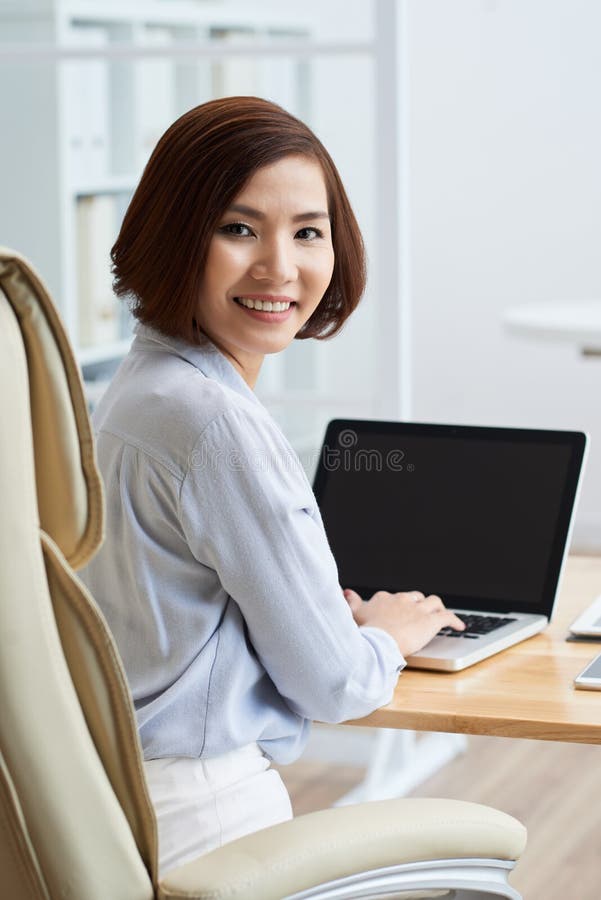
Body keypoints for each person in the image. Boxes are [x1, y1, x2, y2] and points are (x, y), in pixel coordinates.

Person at [80, 96, 464, 877]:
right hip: (205, 815)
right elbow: (335, 683)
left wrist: (322, 616)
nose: (280, 268)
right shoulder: (215, 423)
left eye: (307, 232)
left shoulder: (138, 389)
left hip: (120, 798)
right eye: (238, 228)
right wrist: (385, 633)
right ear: (174, 234)